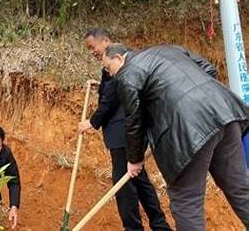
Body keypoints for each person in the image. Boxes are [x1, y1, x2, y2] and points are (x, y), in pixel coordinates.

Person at [102, 43, 249, 230]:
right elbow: (208, 69)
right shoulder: (170, 49)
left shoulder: (127, 73)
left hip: (189, 130)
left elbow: (134, 120)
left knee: (186, 201)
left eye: (109, 68)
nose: (111, 74)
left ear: (119, 58)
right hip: (223, 113)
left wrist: (134, 160)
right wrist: (199, 99)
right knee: (240, 189)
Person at [79, 27, 171, 231]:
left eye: (92, 47)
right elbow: (113, 91)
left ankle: (133, 228)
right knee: (139, 180)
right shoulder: (123, 57)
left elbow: (111, 99)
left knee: (123, 187)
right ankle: (160, 225)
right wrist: (98, 85)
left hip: (122, 133)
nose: (91, 51)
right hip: (125, 132)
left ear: (105, 42)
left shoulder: (116, 59)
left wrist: (92, 122)